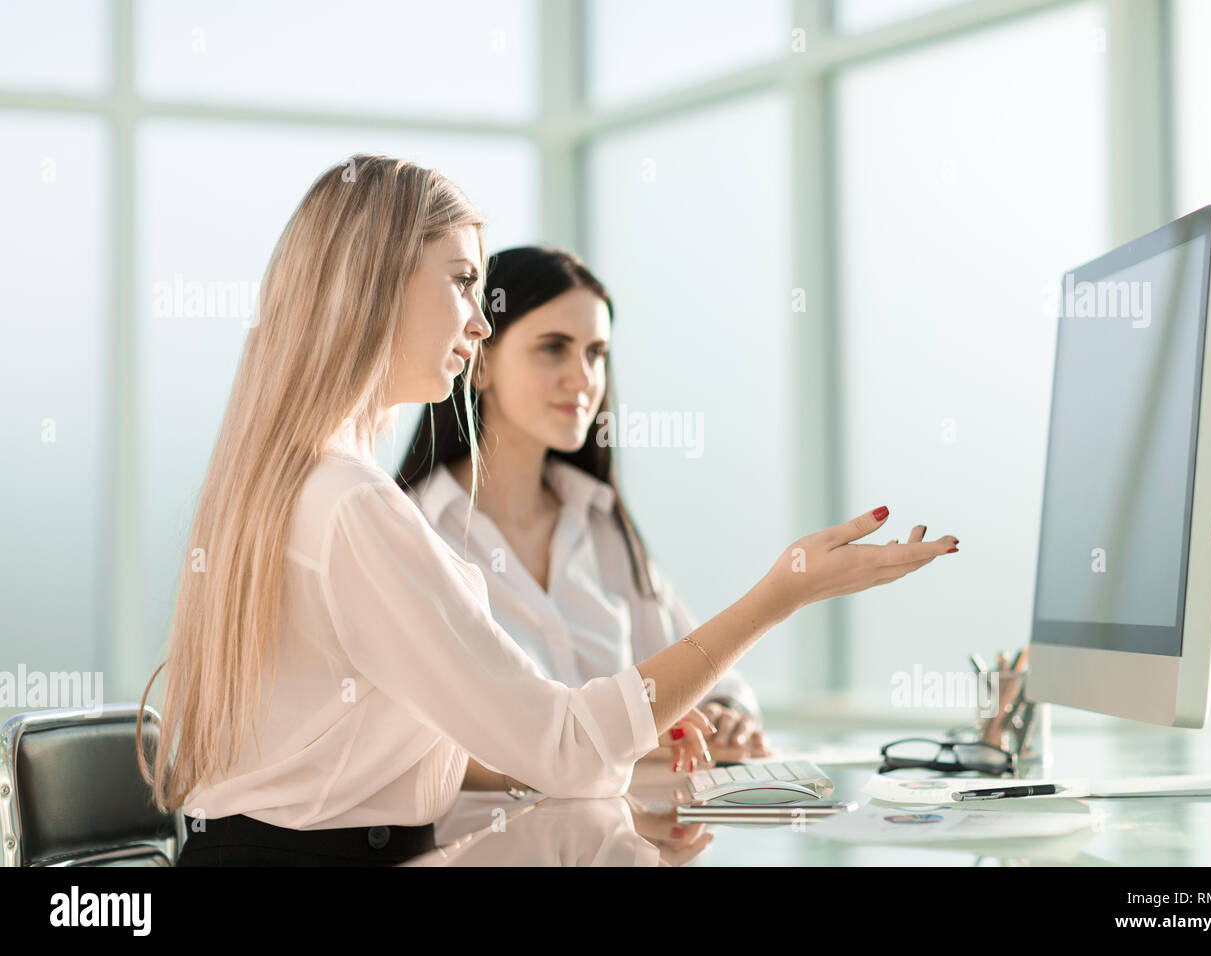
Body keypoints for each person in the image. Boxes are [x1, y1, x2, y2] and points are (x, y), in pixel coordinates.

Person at [137, 153, 958, 866]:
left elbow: (392, 750)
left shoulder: (304, 486)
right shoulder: (355, 507)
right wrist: (785, 591)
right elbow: (561, 745)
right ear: (376, 281)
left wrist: (626, 746)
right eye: (463, 282)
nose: (475, 319)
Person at [396, 246, 766, 774]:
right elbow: (425, 745)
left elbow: (703, 664)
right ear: (479, 362)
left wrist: (726, 711)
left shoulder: (600, 520)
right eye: (553, 348)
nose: (583, 377)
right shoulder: (415, 528)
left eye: (595, 352)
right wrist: (622, 741)